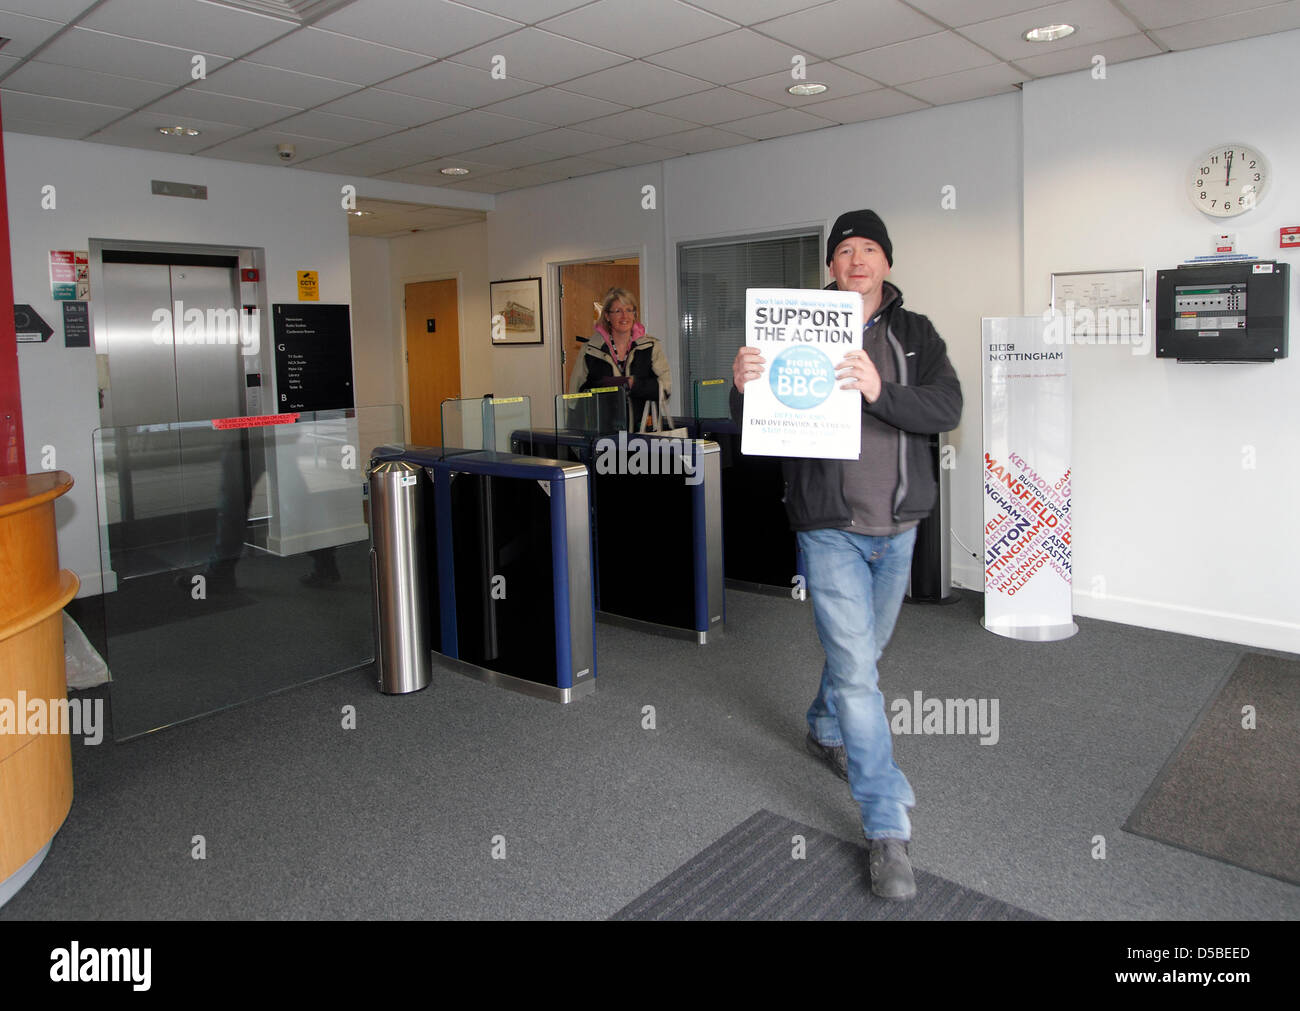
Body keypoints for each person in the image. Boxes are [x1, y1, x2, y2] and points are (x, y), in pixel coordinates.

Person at [731, 209, 962, 900]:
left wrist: (879, 391)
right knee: (860, 668)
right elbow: (765, 429)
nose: (856, 259)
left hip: (899, 526)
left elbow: (945, 407)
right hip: (828, 524)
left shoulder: (916, 333)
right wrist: (744, 387)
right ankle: (886, 826)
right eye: (844, 250)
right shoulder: (795, 326)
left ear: (886, 261)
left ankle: (823, 724)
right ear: (830, 265)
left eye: (869, 248)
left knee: (864, 651)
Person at [570, 287, 672, 430]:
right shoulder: (591, 349)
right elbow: (575, 397)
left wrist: (633, 384)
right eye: (618, 311)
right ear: (607, 316)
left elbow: (665, 389)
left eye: (629, 310)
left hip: (643, 434)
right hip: (604, 434)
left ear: (635, 314)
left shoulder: (650, 346)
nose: (625, 316)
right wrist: (607, 386)